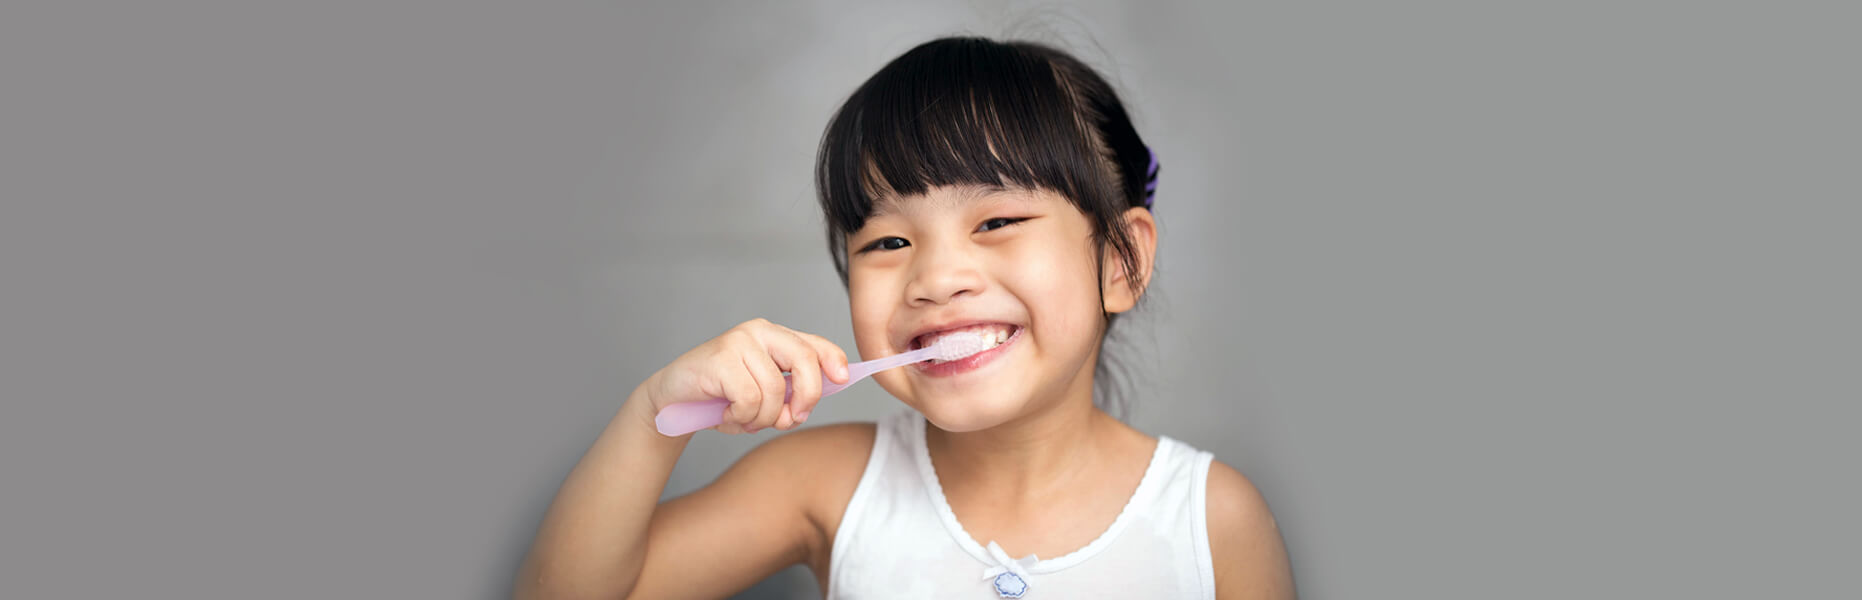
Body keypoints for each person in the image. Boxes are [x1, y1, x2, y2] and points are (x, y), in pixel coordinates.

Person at [516, 36, 1295, 599]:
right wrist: (657, 412)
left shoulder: (1213, 520)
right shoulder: (822, 483)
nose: (936, 278)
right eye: (888, 240)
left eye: (996, 223)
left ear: (1120, 262)